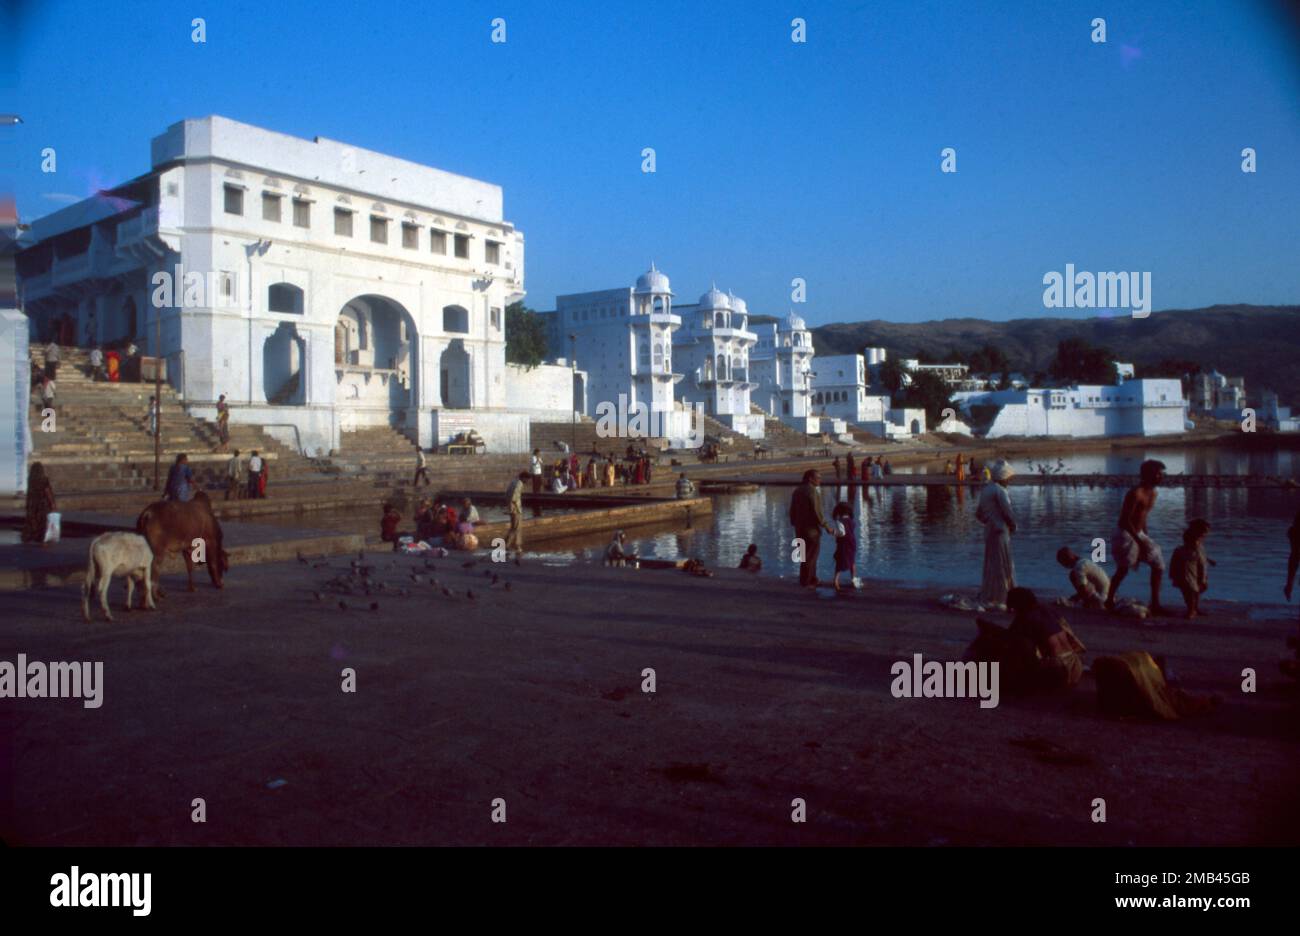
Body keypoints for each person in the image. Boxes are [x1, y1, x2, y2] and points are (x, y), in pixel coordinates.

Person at [1106, 459, 1168, 614]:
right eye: (1157, 474)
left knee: (1158, 563)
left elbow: (1143, 517)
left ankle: (1155, 603)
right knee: (1123, 570)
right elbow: (1125, 520)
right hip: (1125, 534)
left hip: (1138, 533)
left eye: (1161, 474)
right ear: (1147, 475)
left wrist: (1145, 538)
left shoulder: (1153, 493)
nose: (1160, 477)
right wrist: (1140, 541)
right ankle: (1109, 599)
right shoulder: (1135, 493)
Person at [1005, 587, 1087, 690]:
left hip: (1058, 670)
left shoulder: (1025, 617)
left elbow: (1008, 639)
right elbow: (1071, 636)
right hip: (1076, 665)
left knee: (1019, 646)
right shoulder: (1050, 611)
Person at [975, 459, 1017, 606]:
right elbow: (1008, 512)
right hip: (1000, 532)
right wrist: (1013, 526)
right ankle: (1003, 595)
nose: (1009, 481)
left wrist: (989, 521)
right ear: (1003, 477)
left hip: (990, 532)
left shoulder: (986, 489)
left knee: (992, 564)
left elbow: (979, 514)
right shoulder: (1000, 491)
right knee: (1003, 564)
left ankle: (991, 593)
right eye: (1008, 479)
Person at [789, 469, 835, 588]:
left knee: (804, 556)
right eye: (818, 478)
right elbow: (817, 511)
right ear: (810, 478)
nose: (820, 480)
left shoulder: (797, 491)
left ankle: (810, 579)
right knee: (811, 556)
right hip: (811, 530)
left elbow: (792, 510)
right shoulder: (812, 491)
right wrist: (826, 526)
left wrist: (794, 523)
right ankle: (807, 581)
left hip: (799, 529)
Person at [1170, 519, 1211, 619]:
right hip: (1189, 564)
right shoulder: (1190, 537)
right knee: (1189, 588)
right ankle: (1191, 610)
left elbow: (1200, 555)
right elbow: (1189, 552)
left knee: (1198, 586)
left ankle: (1195, 608)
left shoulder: (1199, 541)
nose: (1206, 534)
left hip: (1197, 564)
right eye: (1204, 531)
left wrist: (1208, 560)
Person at [22, 462, 57, 545]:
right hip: (42, 505)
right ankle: (42, 540)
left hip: (32, 504)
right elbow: (47, 492)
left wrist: (27, 505)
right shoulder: (44, 479)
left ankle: (28, 537)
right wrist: (52, 504)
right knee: (42, 522)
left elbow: (29, 493)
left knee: (33, 521)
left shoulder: (30, 479)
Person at [831, 501, 857, 594]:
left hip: (843, 544)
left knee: (839, 561)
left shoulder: (840, 521)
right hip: (852, 543)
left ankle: (836, 580)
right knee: (852, 561)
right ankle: (853, 579)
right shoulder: (851, 521)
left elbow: (842, 533)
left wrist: (833, 532)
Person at [506, 471, 527, 555]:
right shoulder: (519, 483)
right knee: (517, 528)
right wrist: (517, 508)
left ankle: (506, 545)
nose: (527, 481)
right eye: (527, 479)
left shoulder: (513, 481)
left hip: (511, 509)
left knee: (513, 527)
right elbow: (514, 498)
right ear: (524, 478)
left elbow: (507, 494)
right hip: (516, 510)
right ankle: (518, 547)